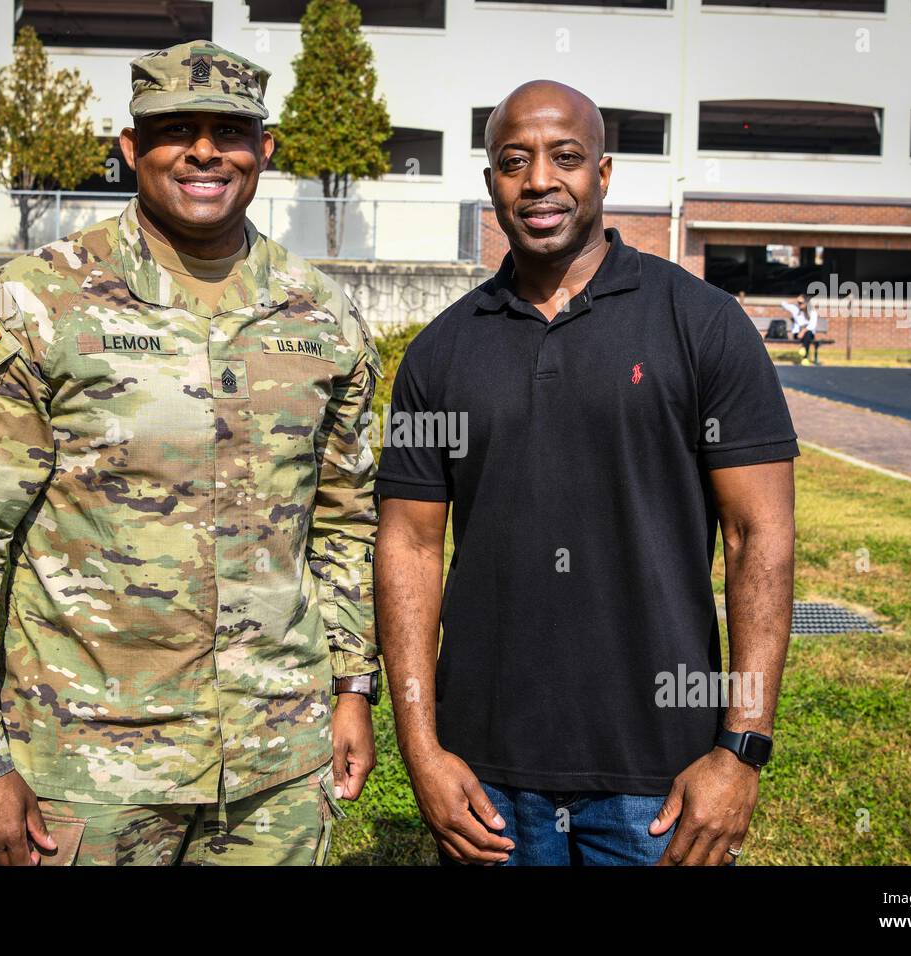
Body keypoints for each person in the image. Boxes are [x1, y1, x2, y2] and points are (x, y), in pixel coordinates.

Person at [0, 40, 384, 866]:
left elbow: (342, 521)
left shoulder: (323, 314)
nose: (203, 152)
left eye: (228, 131)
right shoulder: (34, 303)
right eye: (173, 129)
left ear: (265, 149)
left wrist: (352, 689)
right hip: (85, 771)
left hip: (275, 767)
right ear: (129, 149)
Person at [375, 80, 798, 866]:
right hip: (485, 782)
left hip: (662, 777)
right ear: (492, 186)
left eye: (565, 157)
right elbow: (408, 547)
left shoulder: (703, 324)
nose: (539, 179)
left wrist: (741, 746)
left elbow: (757, 537)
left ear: (603, 176)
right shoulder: (439, 352)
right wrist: (422, 750)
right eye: (514, 161)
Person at [783, 293, 820, 364]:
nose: (799, 304)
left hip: (808, 333)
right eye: (798, 303)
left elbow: (812, 325)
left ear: (806, 303)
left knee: (808, 334)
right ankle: (805, 357)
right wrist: (796, 300)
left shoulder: (812, 312)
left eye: (801, 303)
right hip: (797, 334)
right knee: (805, 335)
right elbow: (783, 304)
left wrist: (803, 331)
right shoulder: (795, 309)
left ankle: (803, 350)